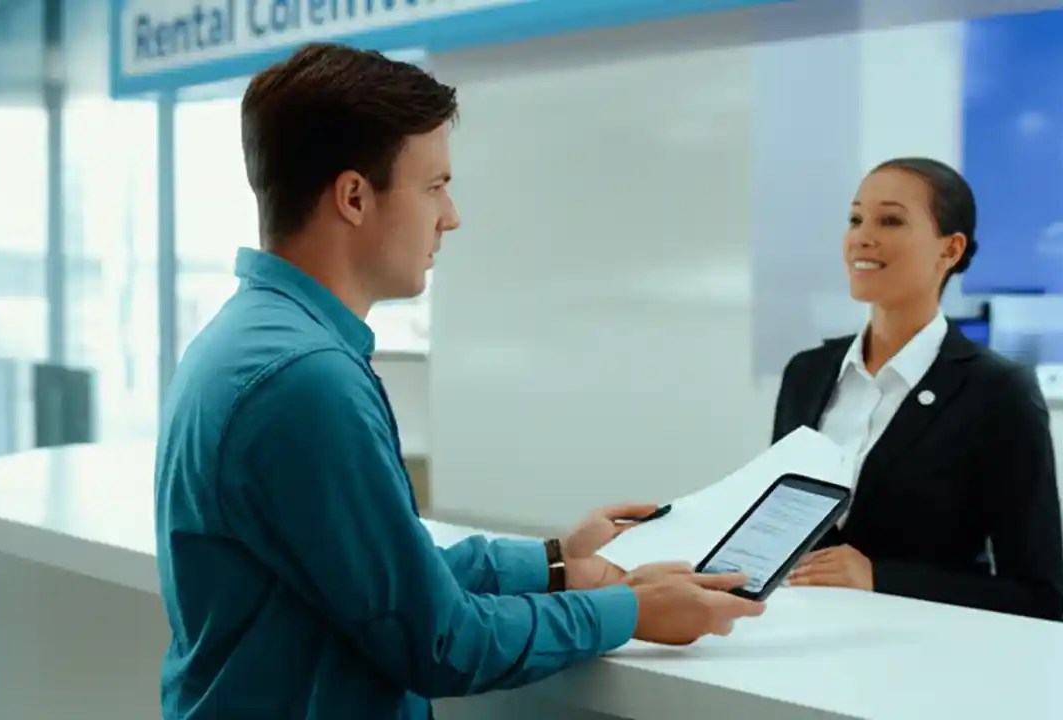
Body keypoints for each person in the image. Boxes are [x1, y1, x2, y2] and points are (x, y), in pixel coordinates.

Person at [153, 43, 764, 720]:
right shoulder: (305, 381)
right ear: (354, 196)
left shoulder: (253, 340)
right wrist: (628, 611)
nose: (451, 216)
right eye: (435, 185)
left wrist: (558, 562)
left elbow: (386, 569)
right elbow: (439, 638)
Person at [773, 157, 1063, 621]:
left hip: (921, 661)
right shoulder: (806, 374)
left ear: (949, 250)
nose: (862, 236)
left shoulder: (998, 391)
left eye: (890, 220)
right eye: (855, 219)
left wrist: (880, 579)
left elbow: (1037, 597)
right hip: (795, 641)